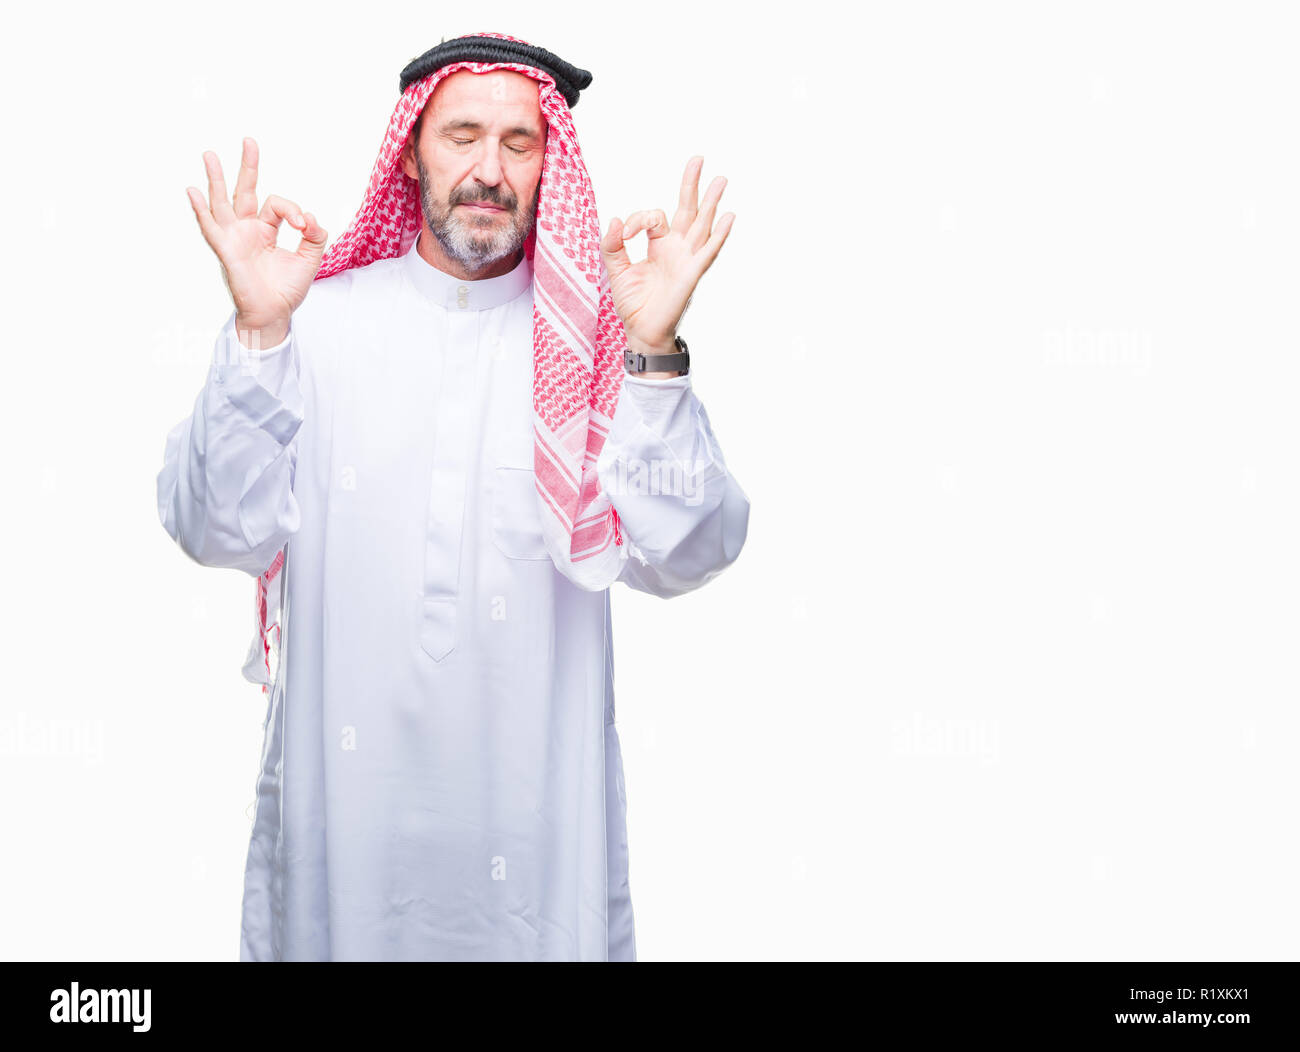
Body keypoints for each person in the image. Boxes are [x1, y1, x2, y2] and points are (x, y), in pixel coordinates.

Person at [156, 31, 749, 962]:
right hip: (340, 869)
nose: (489, 170)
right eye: (461, 135)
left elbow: (692, 549)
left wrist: (656, 354)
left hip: (537, 880)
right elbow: (210, 525)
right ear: (412, 150)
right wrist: (260, 330)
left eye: (519, 143)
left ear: (551, 161)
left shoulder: (593, 343)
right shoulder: (317, 325)